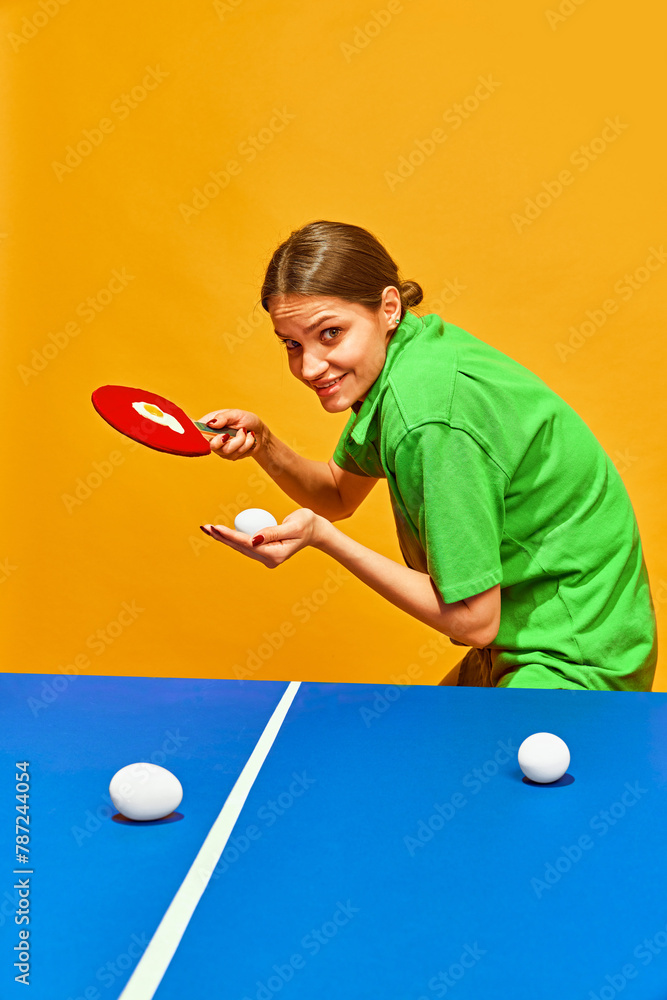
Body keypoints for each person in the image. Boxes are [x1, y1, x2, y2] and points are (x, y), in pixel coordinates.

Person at [200, 220, 658, 690]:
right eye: (292, 344)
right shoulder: (408, 354)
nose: (310, 366)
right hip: (522, 633)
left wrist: (323, 539)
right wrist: (265, 445)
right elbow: (337, 495)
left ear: (389, 307)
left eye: (331, 333)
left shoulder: (428, 416)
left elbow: (471, 619)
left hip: (574, 659)